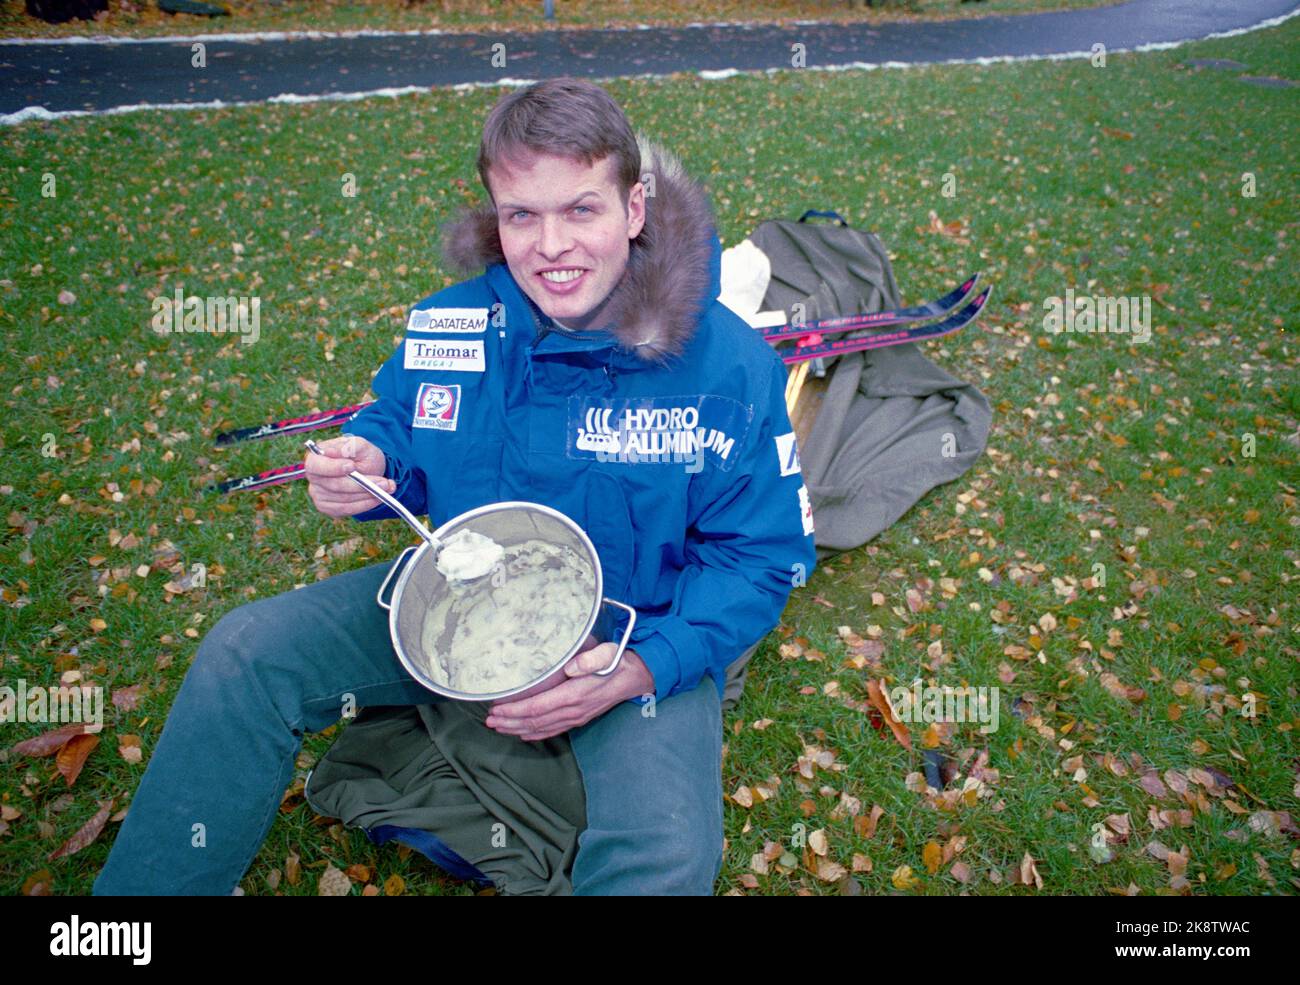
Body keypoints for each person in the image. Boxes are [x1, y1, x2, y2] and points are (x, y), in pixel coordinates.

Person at [93, 77, 815, 896]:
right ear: (494, 217)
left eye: (581, 209)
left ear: (635, 207)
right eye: (521, 216)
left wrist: (647, 666)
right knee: (245, 653)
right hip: (460, 603)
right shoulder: (452, 324)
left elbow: (762, 559)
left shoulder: (729, 368)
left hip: (629, 635)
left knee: (669, 857)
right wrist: (369, 463)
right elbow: (399, 428)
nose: (551, 245)